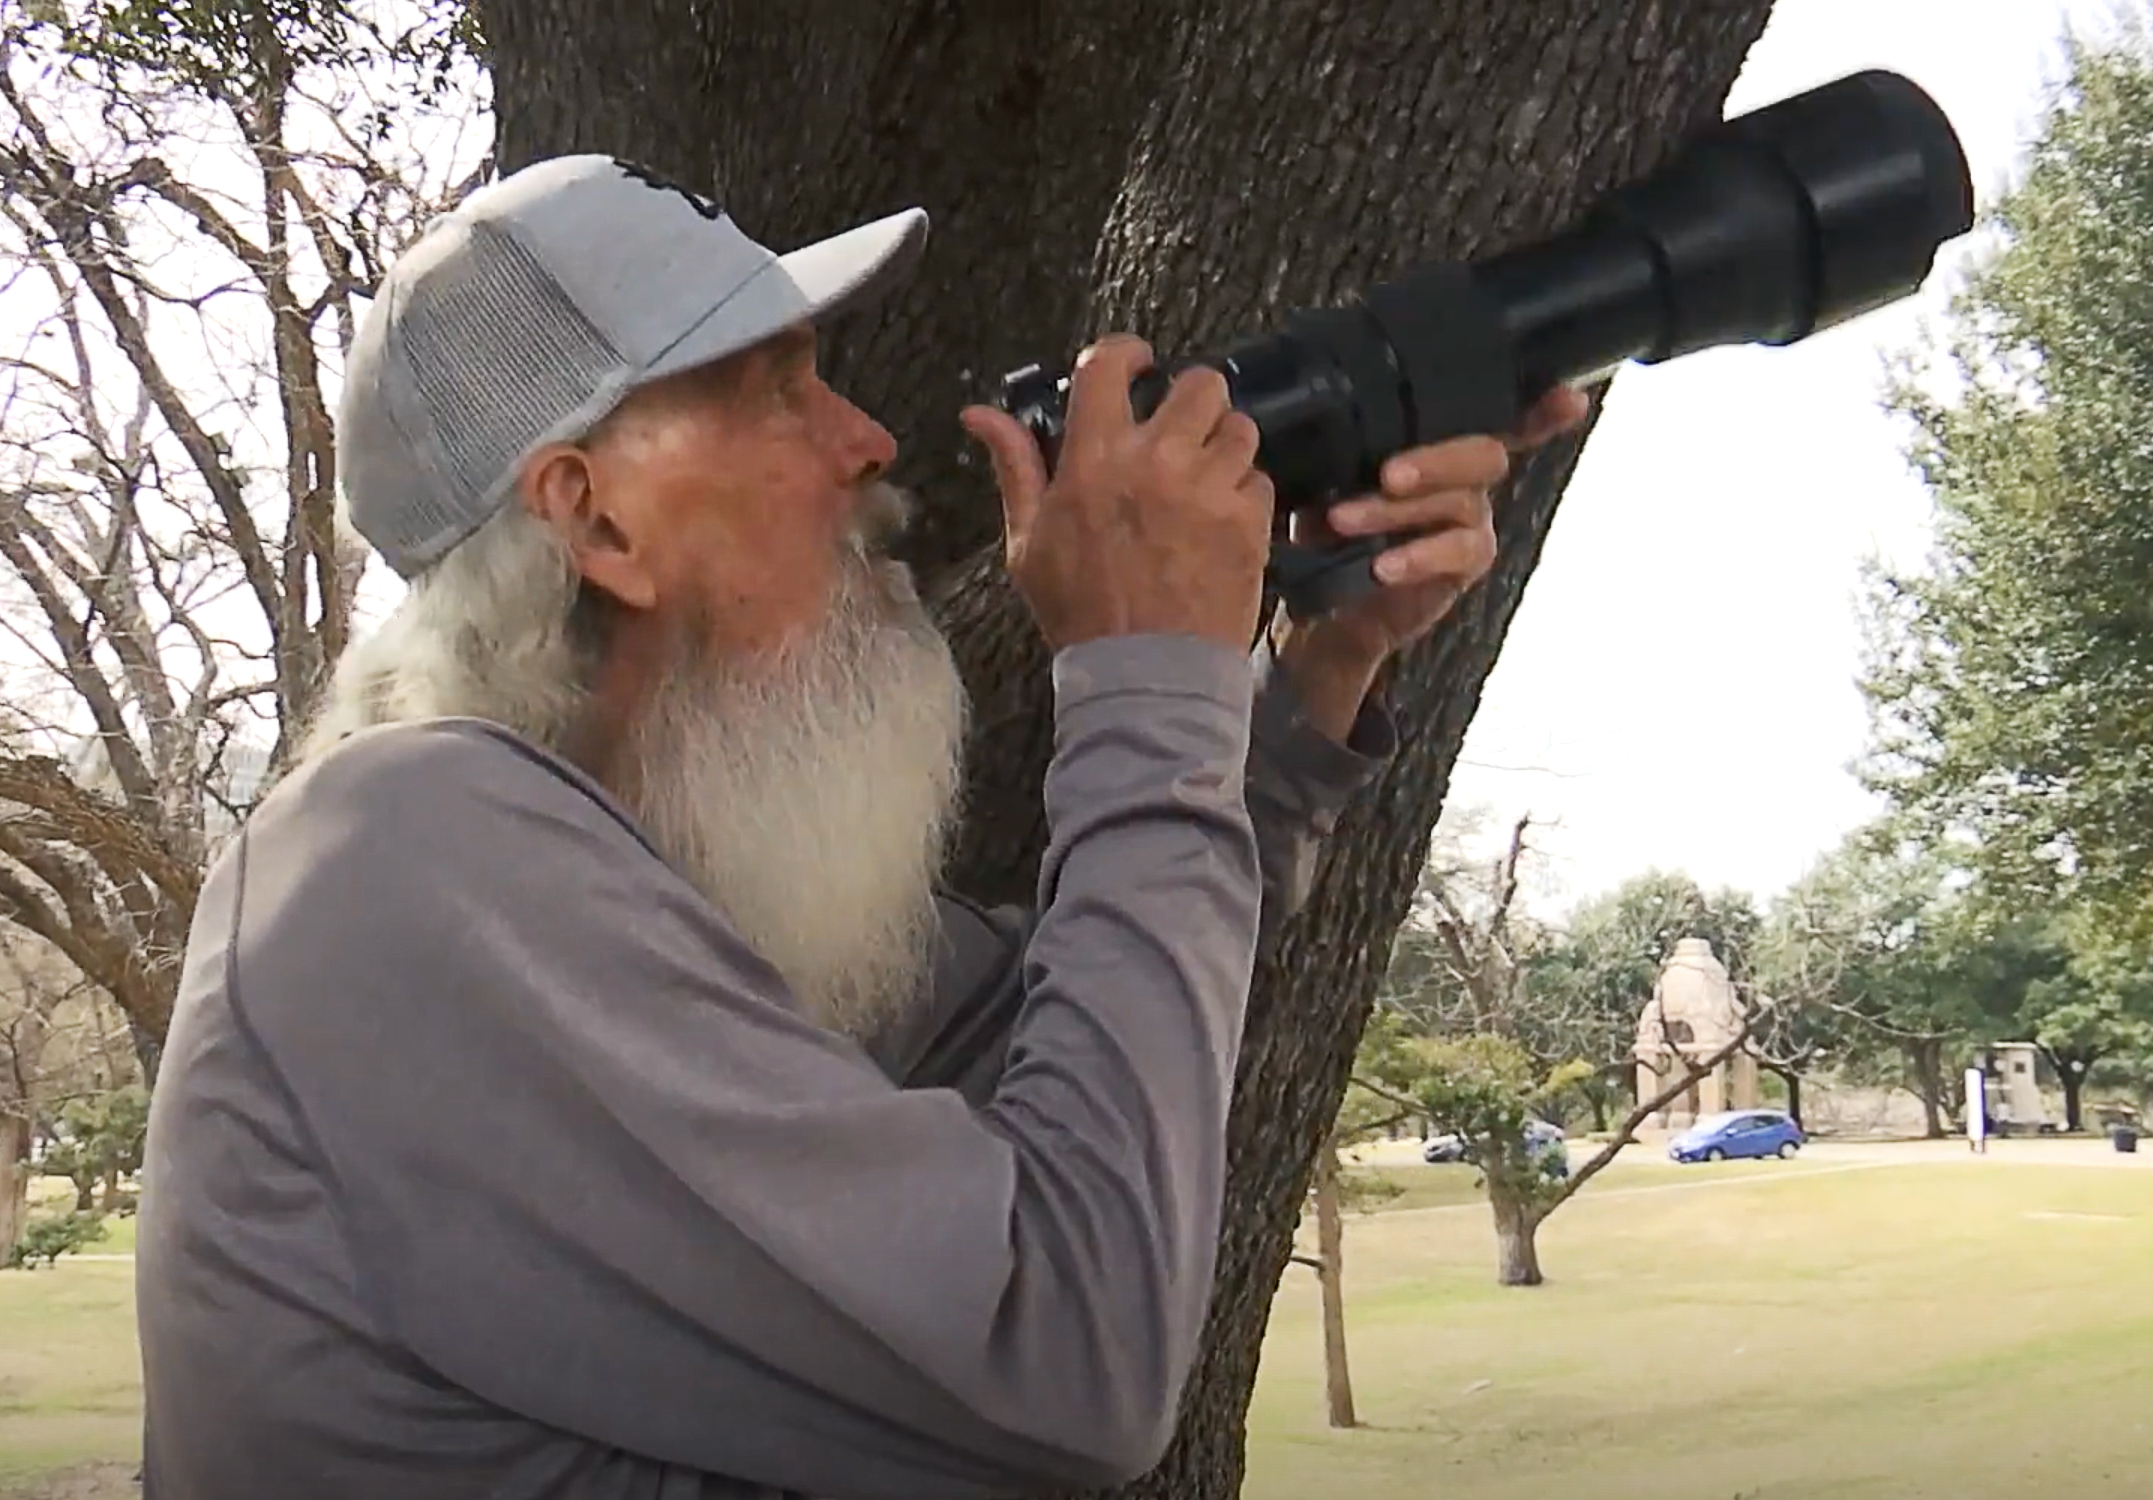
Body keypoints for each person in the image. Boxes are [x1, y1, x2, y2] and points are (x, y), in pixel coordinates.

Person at [134, 153, 1586, 1499]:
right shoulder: (397, 847)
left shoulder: (627, 876)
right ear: (596, 521)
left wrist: (1317, 668)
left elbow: (1094, 1035)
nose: (867, 439)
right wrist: (1147, 669)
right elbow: (1073, 1347)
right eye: (779, 391)